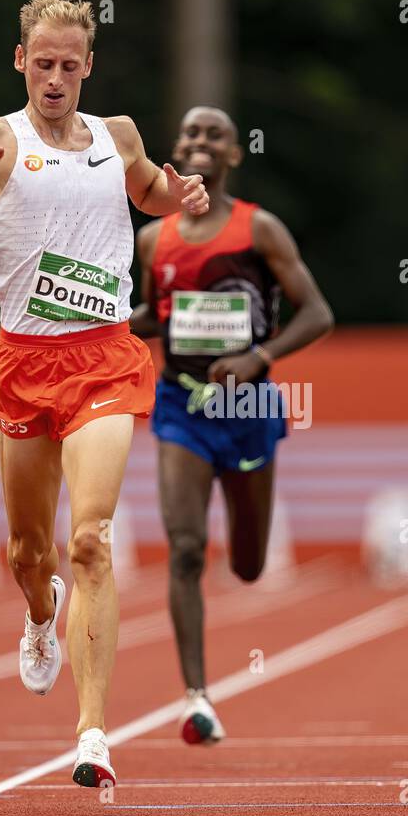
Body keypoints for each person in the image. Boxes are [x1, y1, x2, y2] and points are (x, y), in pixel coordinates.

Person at [0, 0, 209, 787]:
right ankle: (40, 614)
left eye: (71, 65)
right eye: (44, 63)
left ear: (89, 66)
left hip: (104, 359)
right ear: (20, 60)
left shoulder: (117, 136)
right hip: (25, 364)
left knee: (91, 539)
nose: (57, 77)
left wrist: (184, 198)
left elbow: (149, 192)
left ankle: (92, 733)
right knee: (30, 554)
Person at [131, 106, 333, 744]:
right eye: (189, 132)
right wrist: (96, 316)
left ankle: (242, 554)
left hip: (246, 411)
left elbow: (318, 313)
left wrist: (258, 357)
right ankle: (197, 696)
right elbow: (153, 317)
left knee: (247, 565)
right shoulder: (152, 240)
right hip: (181, 405)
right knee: (186, 549)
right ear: (177, 148)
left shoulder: (259, 230)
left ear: (234, 154)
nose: (199, 142)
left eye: (213, 134)